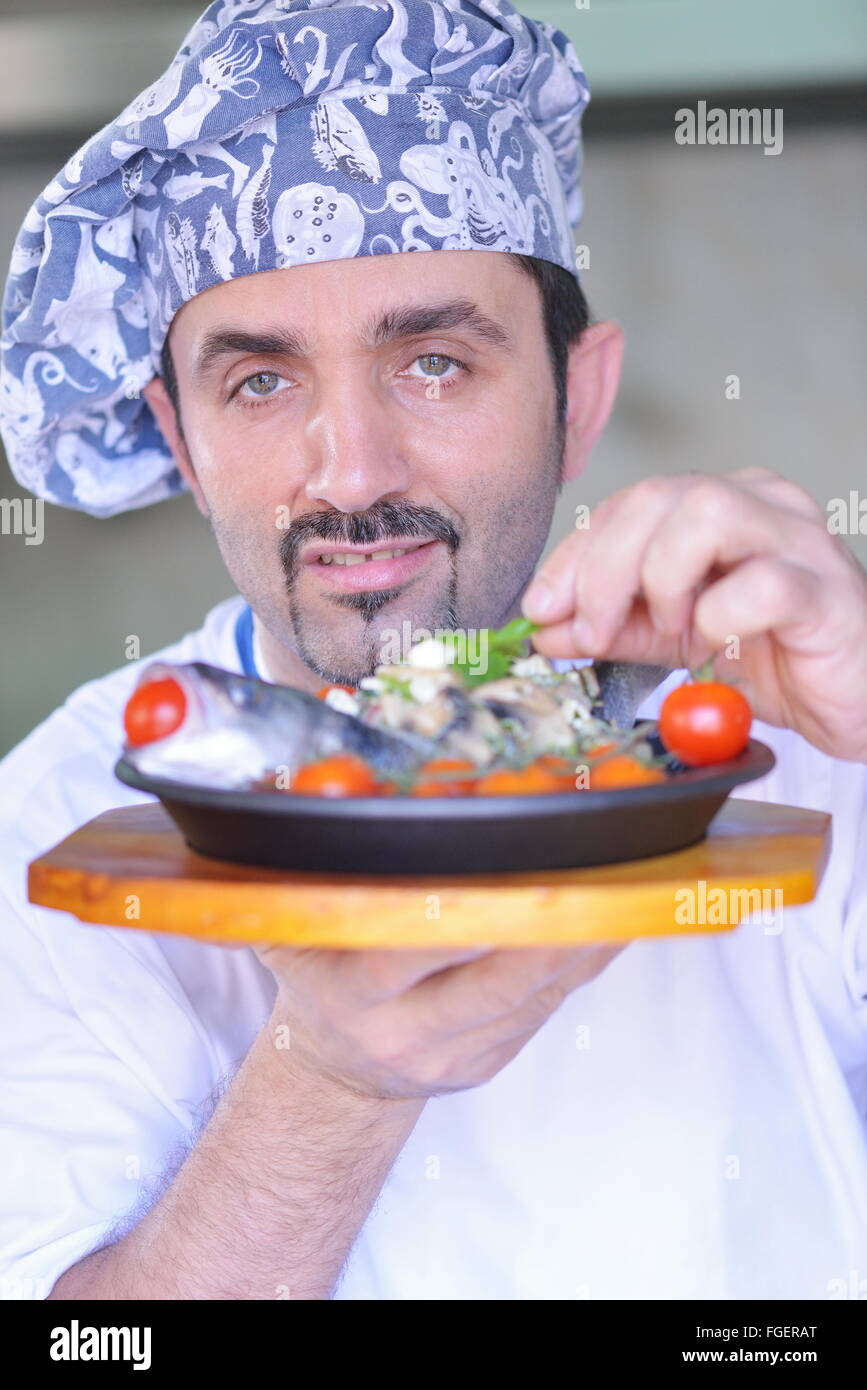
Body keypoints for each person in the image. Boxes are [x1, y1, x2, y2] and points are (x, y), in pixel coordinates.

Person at [1, 0, 865, 1302]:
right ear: (179, 442)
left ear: (577, 398)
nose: (351, 473)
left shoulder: (781, 734)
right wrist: (332, 1082)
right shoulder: (52, 826)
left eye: (437, 363)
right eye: (259, 382)